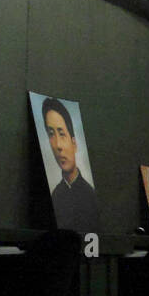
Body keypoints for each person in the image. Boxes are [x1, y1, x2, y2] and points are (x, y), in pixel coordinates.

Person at [41, 97, 99, 233]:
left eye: (62, 134)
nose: (58, 145)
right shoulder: (55, 196)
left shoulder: (91, 196)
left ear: (74, 143)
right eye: (51, 134)